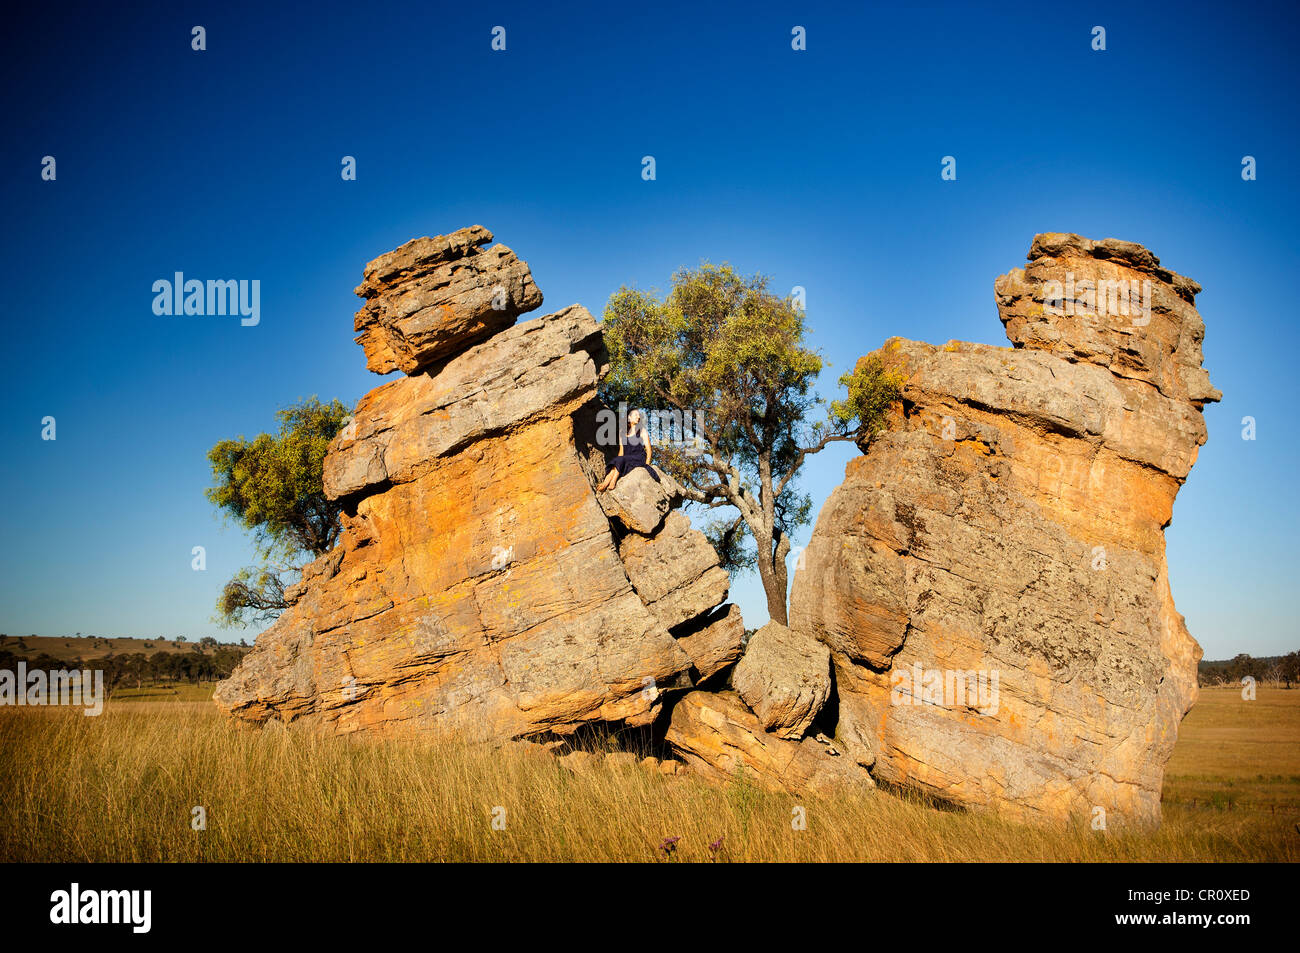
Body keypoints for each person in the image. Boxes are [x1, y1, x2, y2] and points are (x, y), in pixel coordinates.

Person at [597, 409, 656, 492]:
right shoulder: (622, 432)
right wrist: (617, 462)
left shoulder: (642, 431)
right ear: (629, 417)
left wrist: (647, 465)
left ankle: (612, 481)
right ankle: (605, 482)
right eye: (635, 415)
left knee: (621, 459)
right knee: (618, 460)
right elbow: (621, 451)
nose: (638, 417)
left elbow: (649, 450)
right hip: (626, 458)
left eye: (639, 415)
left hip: (639, 458)